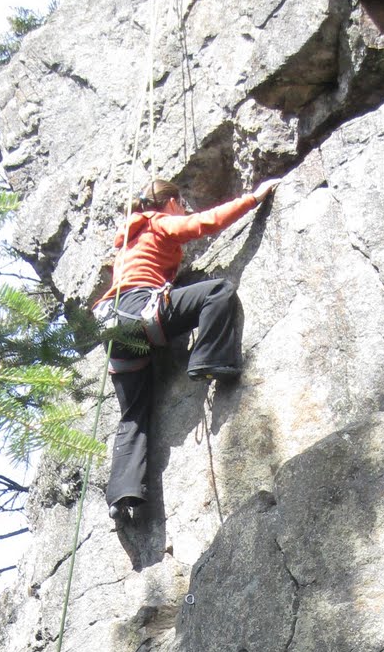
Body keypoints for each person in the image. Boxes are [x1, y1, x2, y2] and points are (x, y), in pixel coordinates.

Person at [97, 176, 280, 525]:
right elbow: (204, 224)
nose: (183, 209)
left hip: (114, 330)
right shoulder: (157, 222)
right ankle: (209, 360)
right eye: (181, 204)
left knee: (134, 413)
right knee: (218, 291)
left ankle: (121, 496)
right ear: (170, 202)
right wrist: (253, 199)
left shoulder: (129, 240)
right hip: (139, 312)